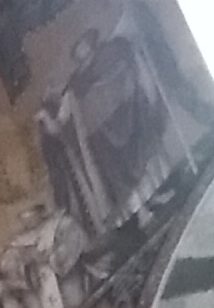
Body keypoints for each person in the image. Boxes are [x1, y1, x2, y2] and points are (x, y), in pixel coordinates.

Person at [37, 13, 200, 240]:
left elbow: (128, 70)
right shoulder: (76, 85)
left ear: (92, 42)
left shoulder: (113, 53)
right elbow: (63, 122)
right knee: (119, 183)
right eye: (79, 49)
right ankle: (141, 213)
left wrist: (135, 54)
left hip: (129, 118)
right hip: (103, 140)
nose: (83, 50)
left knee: (145, 156)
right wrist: (48, 117)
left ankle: (164, 194)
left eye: (85, 44)